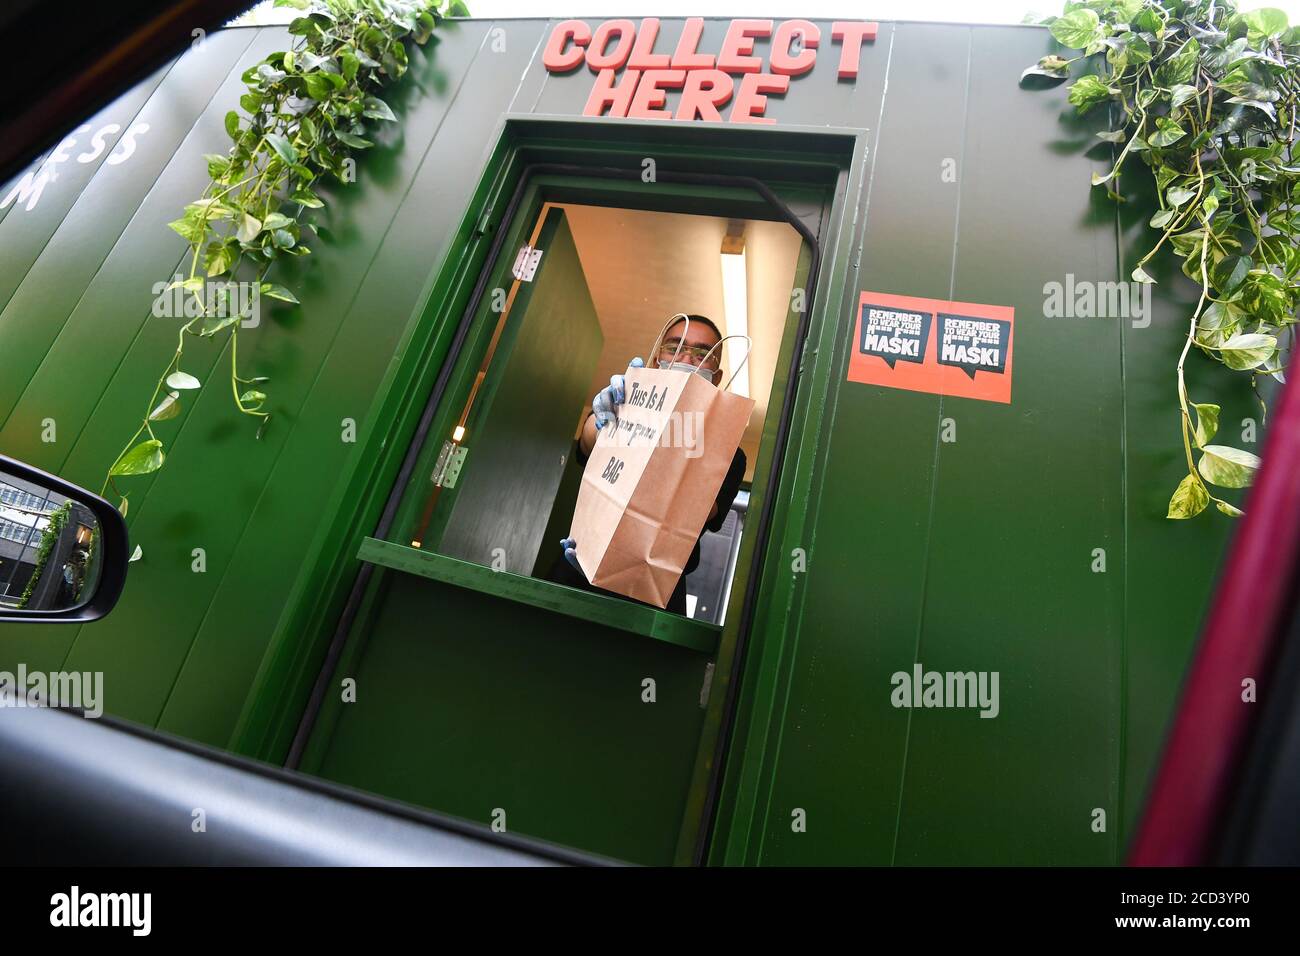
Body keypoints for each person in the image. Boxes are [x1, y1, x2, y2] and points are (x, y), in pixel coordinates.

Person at [548, 314, 746, 616]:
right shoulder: (627, 407)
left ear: (716, 377)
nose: (687, 358)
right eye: (674, 346)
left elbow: (698, 511)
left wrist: (680, 428)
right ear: (657, 359)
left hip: (652, 598)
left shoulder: (729, 452)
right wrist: (604, 422)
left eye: (703, 353)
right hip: (577, 576)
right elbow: (588, 441)